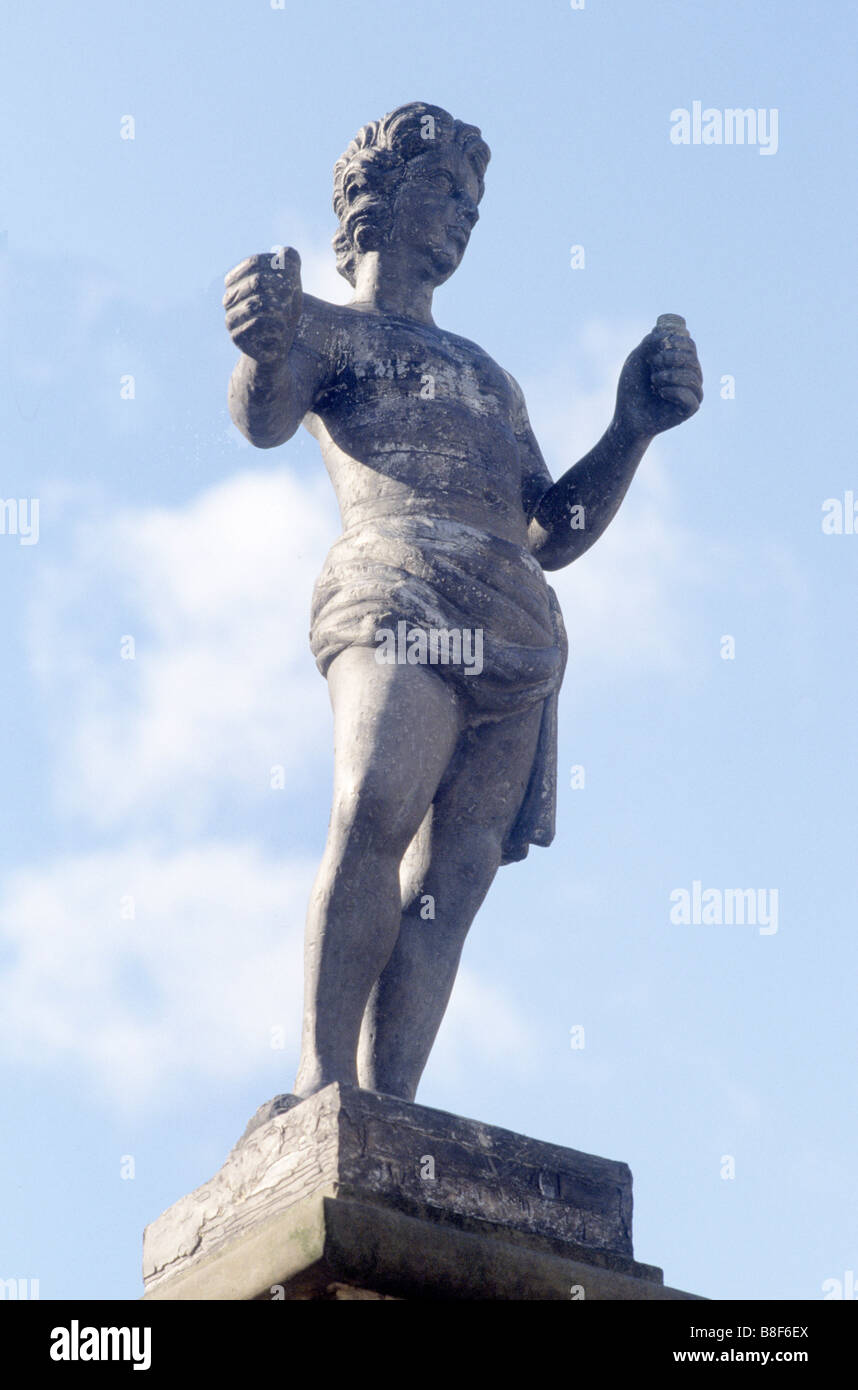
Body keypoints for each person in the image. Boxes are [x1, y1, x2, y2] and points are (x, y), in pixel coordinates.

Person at [223, 102, 702, 1104]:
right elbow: (265, 419)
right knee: (373, 811)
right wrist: (262, 343)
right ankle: (323, 1082)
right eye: (445, 192)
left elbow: (552, 530)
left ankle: (389, 1100)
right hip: (398, 584)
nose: (461, 219)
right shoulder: (324, 326)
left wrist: (633, 427)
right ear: (376, 199)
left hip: (517, 620)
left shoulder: (489, 375)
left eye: (473, 207)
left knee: (462, 873)